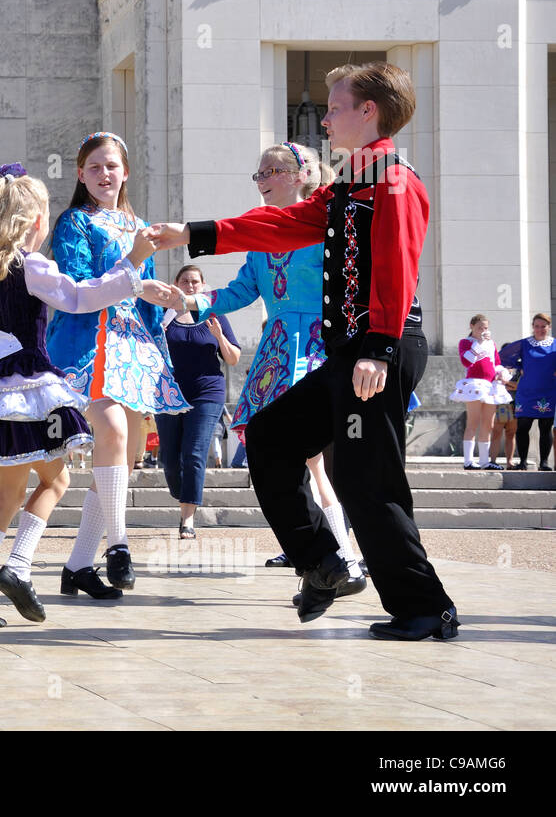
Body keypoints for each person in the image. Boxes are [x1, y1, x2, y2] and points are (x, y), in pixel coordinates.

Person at [146, 61, 460, 641]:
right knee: (270, 440)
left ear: (369, 111)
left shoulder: (393, 179)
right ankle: (324, 563)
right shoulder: (352, 179)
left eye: (335, 106)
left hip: (377, 351)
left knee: (369, 482)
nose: (326, 118)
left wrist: (379, 350)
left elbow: (397, 269)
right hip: (352, 353)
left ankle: (424, 607)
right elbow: (281, 226)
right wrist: (190, 233)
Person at [0, 166, 178, 628]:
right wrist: (132, 264)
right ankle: (11, 569)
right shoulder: (32, 266)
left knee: (11, 492)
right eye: (44, 214)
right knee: (54, 482)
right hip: (25, 389)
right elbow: (80, 297)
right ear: (33, 221)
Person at [180, 143, 363, 587]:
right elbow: (242, 291)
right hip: (277, 349)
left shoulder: (324, 225)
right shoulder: (261, 236)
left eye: (273, 169)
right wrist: (191, 301)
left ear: (302, 175)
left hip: (320, 345)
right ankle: (330, 561)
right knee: (299, 462)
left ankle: (338, 560)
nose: (262, 176)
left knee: (312, 461)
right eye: (258, 170)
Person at [44, 132, 190, 601]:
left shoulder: (138, 223)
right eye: (93, 167)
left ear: (125, 171)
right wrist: (136, 265)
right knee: (110, 432)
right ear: (80, 174)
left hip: (132, 343)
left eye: (111, 166)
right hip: (89, 341)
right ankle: (120, 547)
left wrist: (156, 291)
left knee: (121, 457)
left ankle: (78, 566)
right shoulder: (73, 222)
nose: (104, 175)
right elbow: (80, 286)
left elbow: (136, 281)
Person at [160, 264, 240, 540]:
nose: (190, 286)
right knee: (169, 459)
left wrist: (219, 336)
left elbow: (233, 359)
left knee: (194, 453)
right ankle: (184, 494)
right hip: (169, 394)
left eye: (195, 282)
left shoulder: (214, 315)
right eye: (185, 281)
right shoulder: (164, 316)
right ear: (176, 285)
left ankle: (187, 519)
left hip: (207, 392)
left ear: (203, 286)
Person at [449, 314, 512, 471]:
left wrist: (502, 372)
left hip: (490, 386)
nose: (483, 330)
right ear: (472, 326)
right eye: (479, 328)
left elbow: (496, 363)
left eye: (485, 328)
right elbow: (466, 361)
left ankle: (484, 461)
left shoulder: (491, 343)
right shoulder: (466, 342)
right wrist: (479, 343)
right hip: (474, 385)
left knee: (488, 424)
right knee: (473, 422)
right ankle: (468, 461)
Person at [499, 314, 556, 471]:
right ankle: (522, 462)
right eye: (537, 326)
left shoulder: (555, 345)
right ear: (533, 327)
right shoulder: (524, 344)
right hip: (526, 392)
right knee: (523, 427)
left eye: (543, 326)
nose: (540, 329)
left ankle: (543, 463)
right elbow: (502, 356)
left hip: (548, 391)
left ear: (549, 327)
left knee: (546, 428)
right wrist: (519, 366)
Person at [488, 355, 520, 469]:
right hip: (502, 404)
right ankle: (492, 461)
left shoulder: (519, 368)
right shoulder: (496, 368)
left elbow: (520, 386)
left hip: (516, 404)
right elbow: (495, 384)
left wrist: (506, 383)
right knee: (497, 432)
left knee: (511, 434)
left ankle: (509, 462)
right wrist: (510, 385)